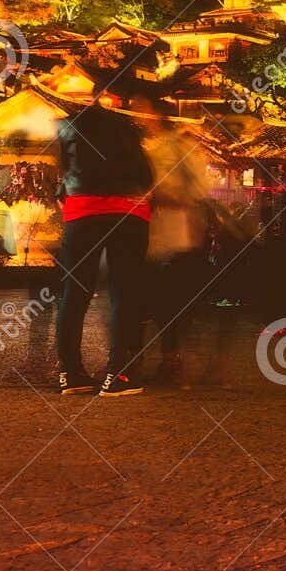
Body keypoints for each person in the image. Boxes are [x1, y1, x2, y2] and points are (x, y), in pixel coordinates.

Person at [54, 66, 155, 396]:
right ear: (121, 97)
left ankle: (71, 372)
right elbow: (143, 176)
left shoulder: (68, 127)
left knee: (74, 293)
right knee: (124, 292)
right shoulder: (128, 128)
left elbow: (63, 177)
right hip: (126, 214)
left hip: (81, 213)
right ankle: (119, 373)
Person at [142, 114, 215, 384]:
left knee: (168, 298)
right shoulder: (150, 148)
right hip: (154, 231)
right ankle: (161, 358)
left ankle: (170, 358)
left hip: (174, 233)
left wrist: (165, 197)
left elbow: (197, 192)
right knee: (156, 297)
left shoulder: (181, 150)